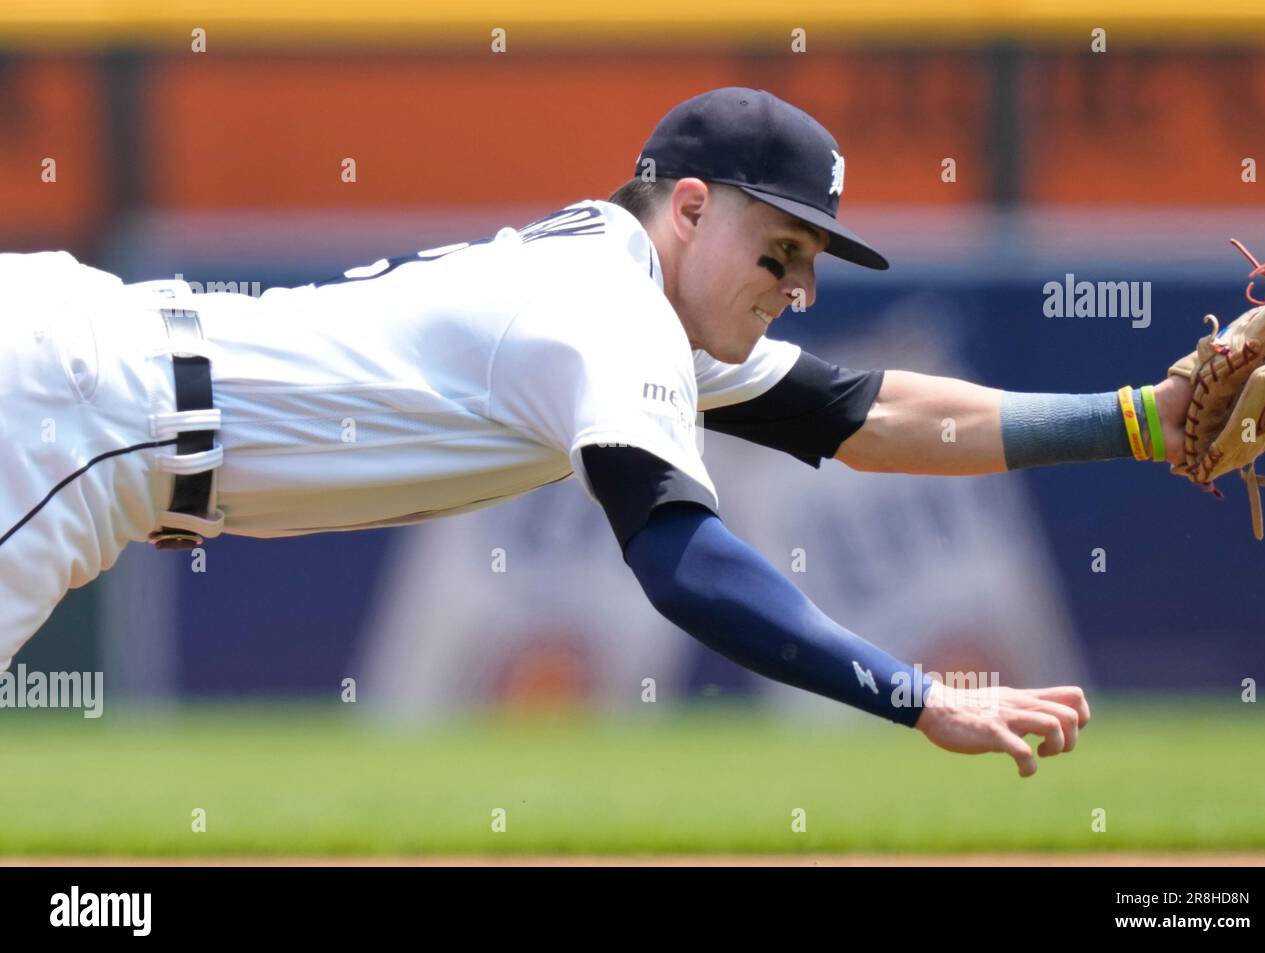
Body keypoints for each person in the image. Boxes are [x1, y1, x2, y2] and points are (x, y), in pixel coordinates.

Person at [1, 87, 1180, 776]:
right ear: (690, 208)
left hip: (86, 389)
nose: (797, 287)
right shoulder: (608, 312)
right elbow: (685, 561)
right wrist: (919, 696)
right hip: (77, 414)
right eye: (783, 252)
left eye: (811, 264)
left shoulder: (629, 296)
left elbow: (868, 413)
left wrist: (1137, 418)